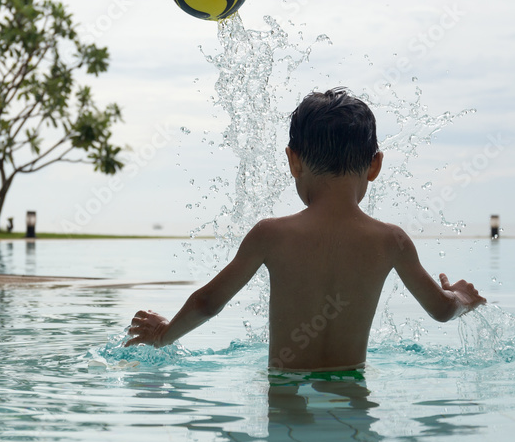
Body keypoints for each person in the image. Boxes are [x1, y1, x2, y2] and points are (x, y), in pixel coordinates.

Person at [126, 87, 486, 370]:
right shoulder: (391, 241)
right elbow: (441, 310)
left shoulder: (271, 235)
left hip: (287, 386)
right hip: (351, 388)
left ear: (293, 161)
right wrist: (462, 298)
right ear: (375, 165)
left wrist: (163, 334)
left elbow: (207, 303)